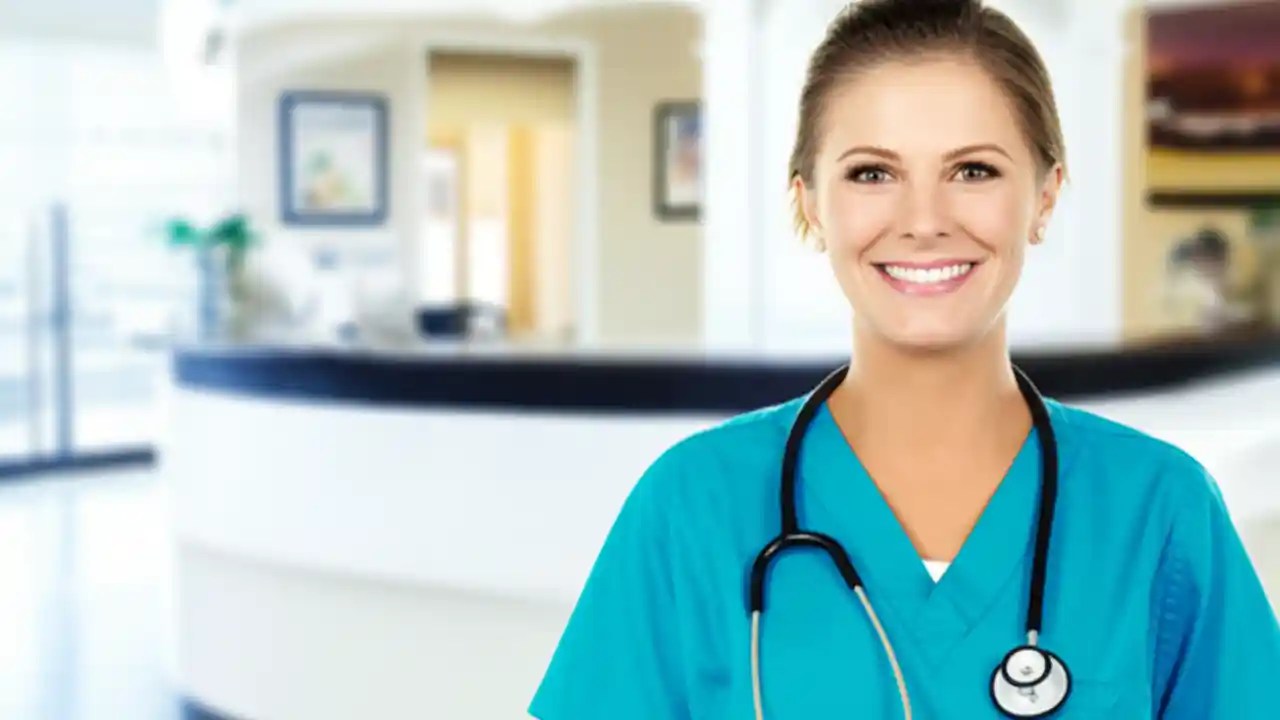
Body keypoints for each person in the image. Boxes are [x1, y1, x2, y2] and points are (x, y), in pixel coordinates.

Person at [528, 1, 1280, 718]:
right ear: (812, 204)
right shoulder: (692, 506)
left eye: (974, 170)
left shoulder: (1159, 510)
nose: (924, 221)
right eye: (872, 173)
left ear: (1045, 196)